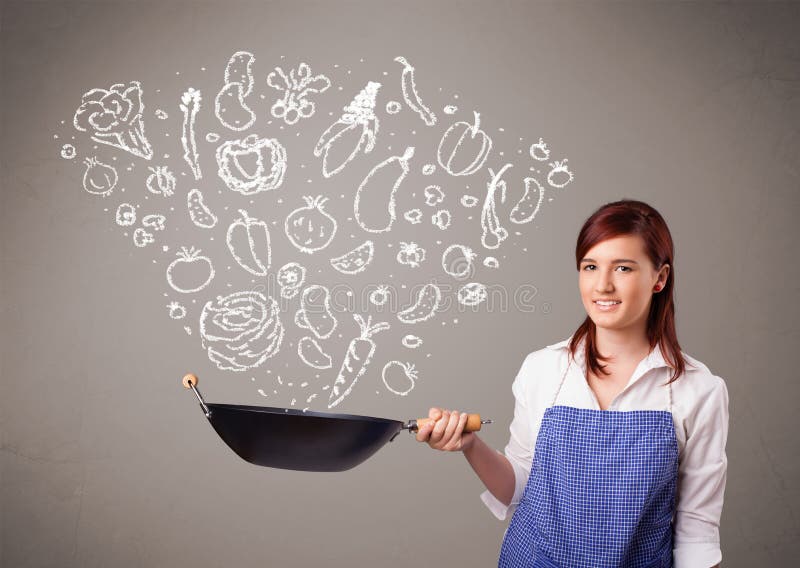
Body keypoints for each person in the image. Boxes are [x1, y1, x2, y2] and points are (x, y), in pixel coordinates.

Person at [416, 199, 729, 568]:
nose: (603, 285)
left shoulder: (700, 391)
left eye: (624, 268)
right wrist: (470, 445)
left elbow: (697, 534)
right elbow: (518, 488)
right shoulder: (543, 369)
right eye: (590, 266)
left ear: (659, 278)